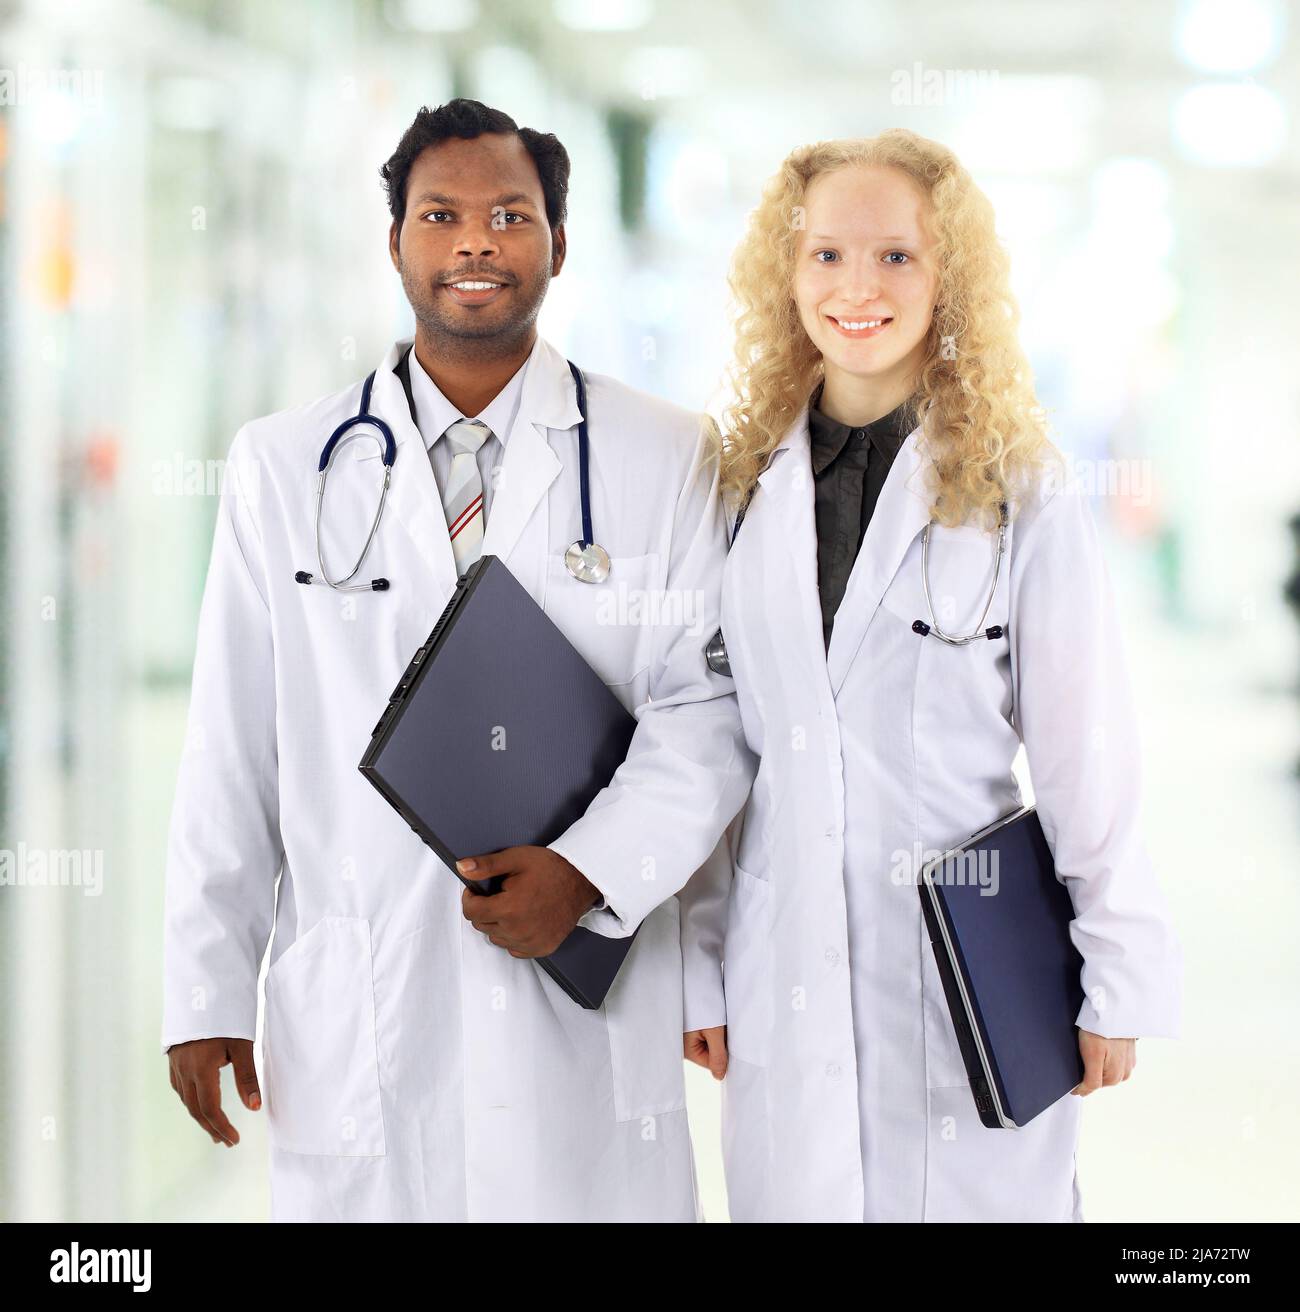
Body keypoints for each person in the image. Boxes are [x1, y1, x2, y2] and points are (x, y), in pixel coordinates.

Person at [161, 99, 749, 1222]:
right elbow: (233, 742)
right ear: (395, 243)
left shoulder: (662, 454)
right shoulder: (283, 467)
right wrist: (204, 987)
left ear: (558, 246)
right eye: (441, 215)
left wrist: (590, 872)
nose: (474, 242)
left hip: (583, 996)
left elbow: (706, 710)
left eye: (509, 216)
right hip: (369, 993)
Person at [689, 129, 1182, 1222]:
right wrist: (698, 953)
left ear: (947, 273)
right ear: (786, 270)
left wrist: (1113, 969)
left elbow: (1083, 754)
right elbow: (714, 741)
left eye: (896, 256)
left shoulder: (1019, 487)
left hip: (974, 949)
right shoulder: (734, 483)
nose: (856, 286)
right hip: (784, 956)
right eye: (824, 255)